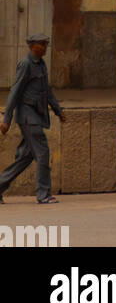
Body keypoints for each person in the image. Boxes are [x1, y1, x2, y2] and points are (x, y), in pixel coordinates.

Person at [0, 33, 66, 204]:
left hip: (36, 114)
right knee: (43, 152)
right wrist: (6, 119)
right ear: (31, 46)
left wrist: (58, 111)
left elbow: (47, 91)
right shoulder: (26, 64)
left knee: (25, 158)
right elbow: (14, 91)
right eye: (41, 44)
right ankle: (43, 194)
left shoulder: (41, 64)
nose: (44, 47)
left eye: (45, 44)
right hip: (28, 117)